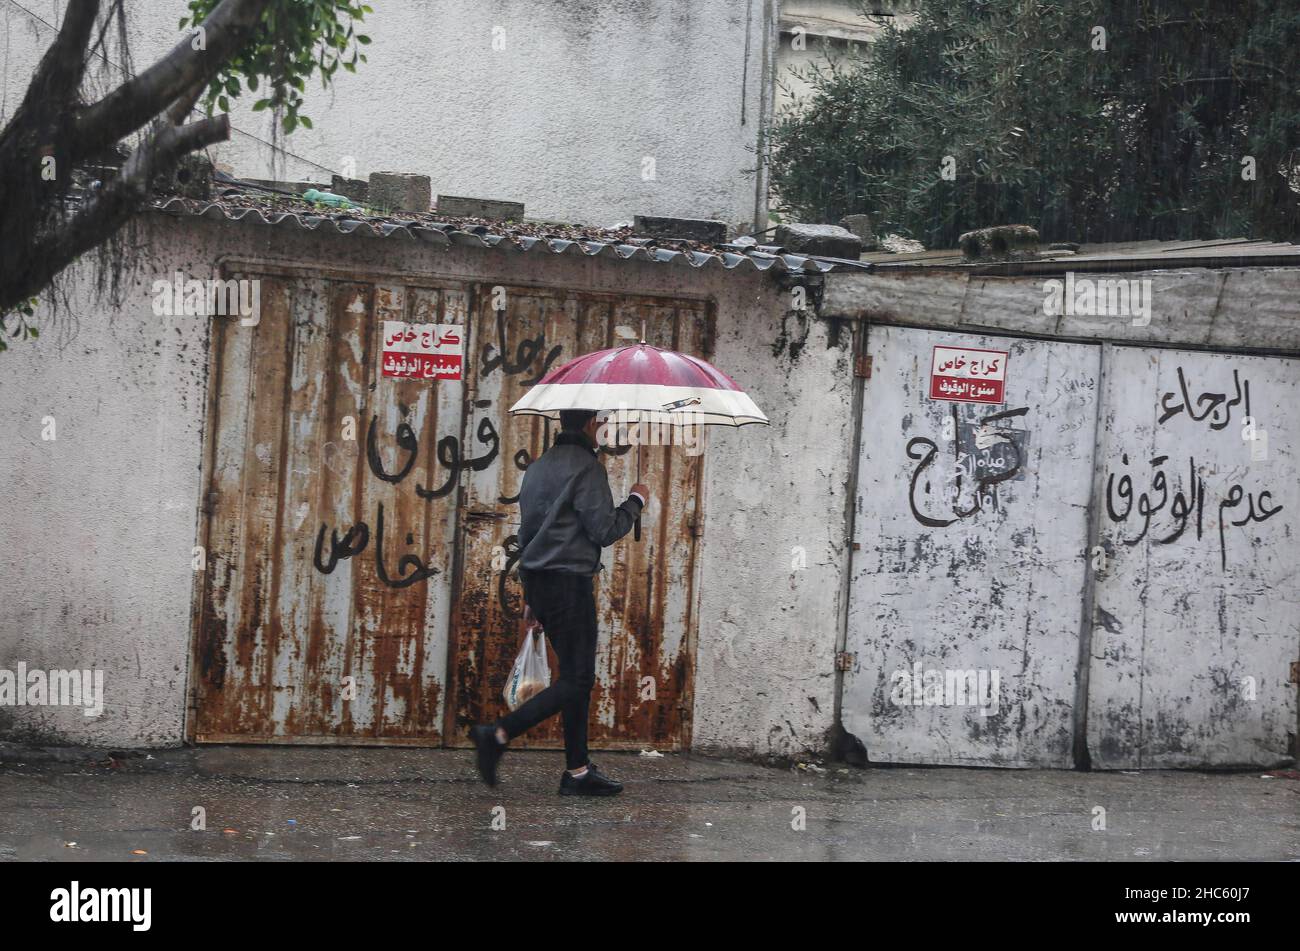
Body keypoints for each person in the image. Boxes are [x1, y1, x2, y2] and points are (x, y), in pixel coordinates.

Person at [470, 409, 649, 796]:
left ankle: (578, 772)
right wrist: (635, 501)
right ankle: (499, 733)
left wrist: (532, 597)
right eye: (602, 421)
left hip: (542, 585)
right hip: (569, 585)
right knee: (579, 679)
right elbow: (604, 530)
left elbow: (529, 535)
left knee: (574, 678)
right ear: (590, 424)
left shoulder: (537, 469)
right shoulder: (587, 469)